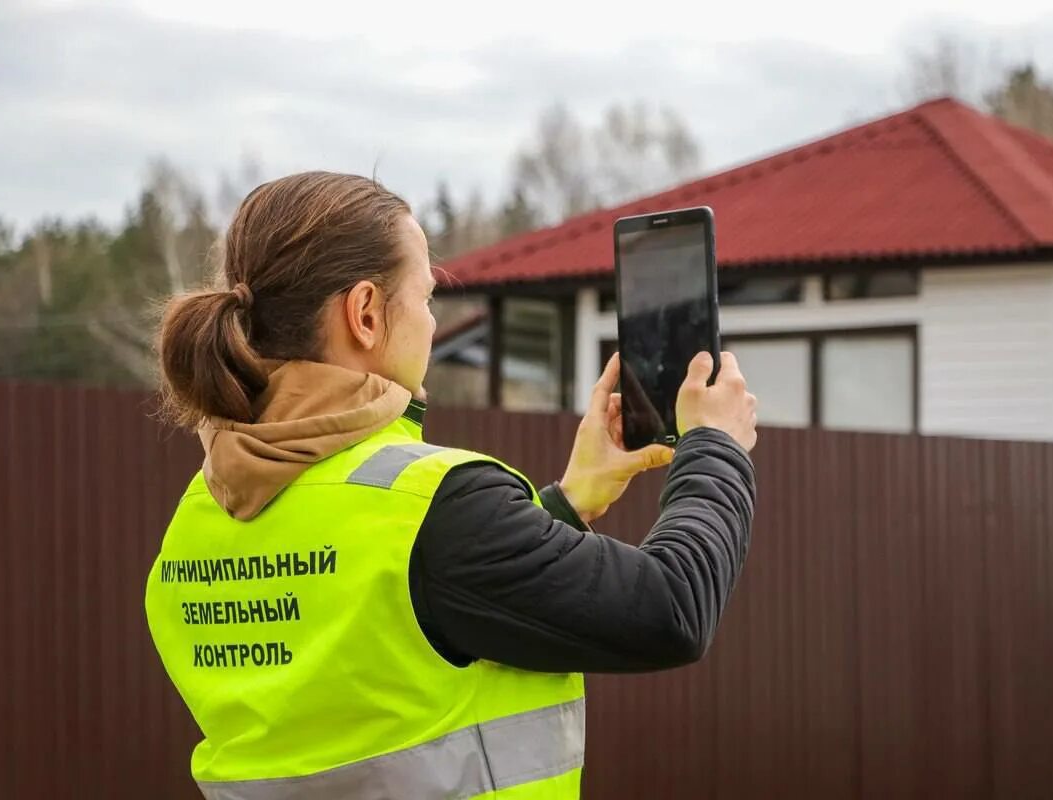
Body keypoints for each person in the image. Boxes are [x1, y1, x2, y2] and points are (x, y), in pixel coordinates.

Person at [144, 171, 758, 800]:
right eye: (427, 298)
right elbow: (671, 607)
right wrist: (717, 447)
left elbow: (400, 641)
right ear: (364, 314)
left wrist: (567, 506)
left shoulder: (196, 521)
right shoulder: (434, 509)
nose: (433, 325)